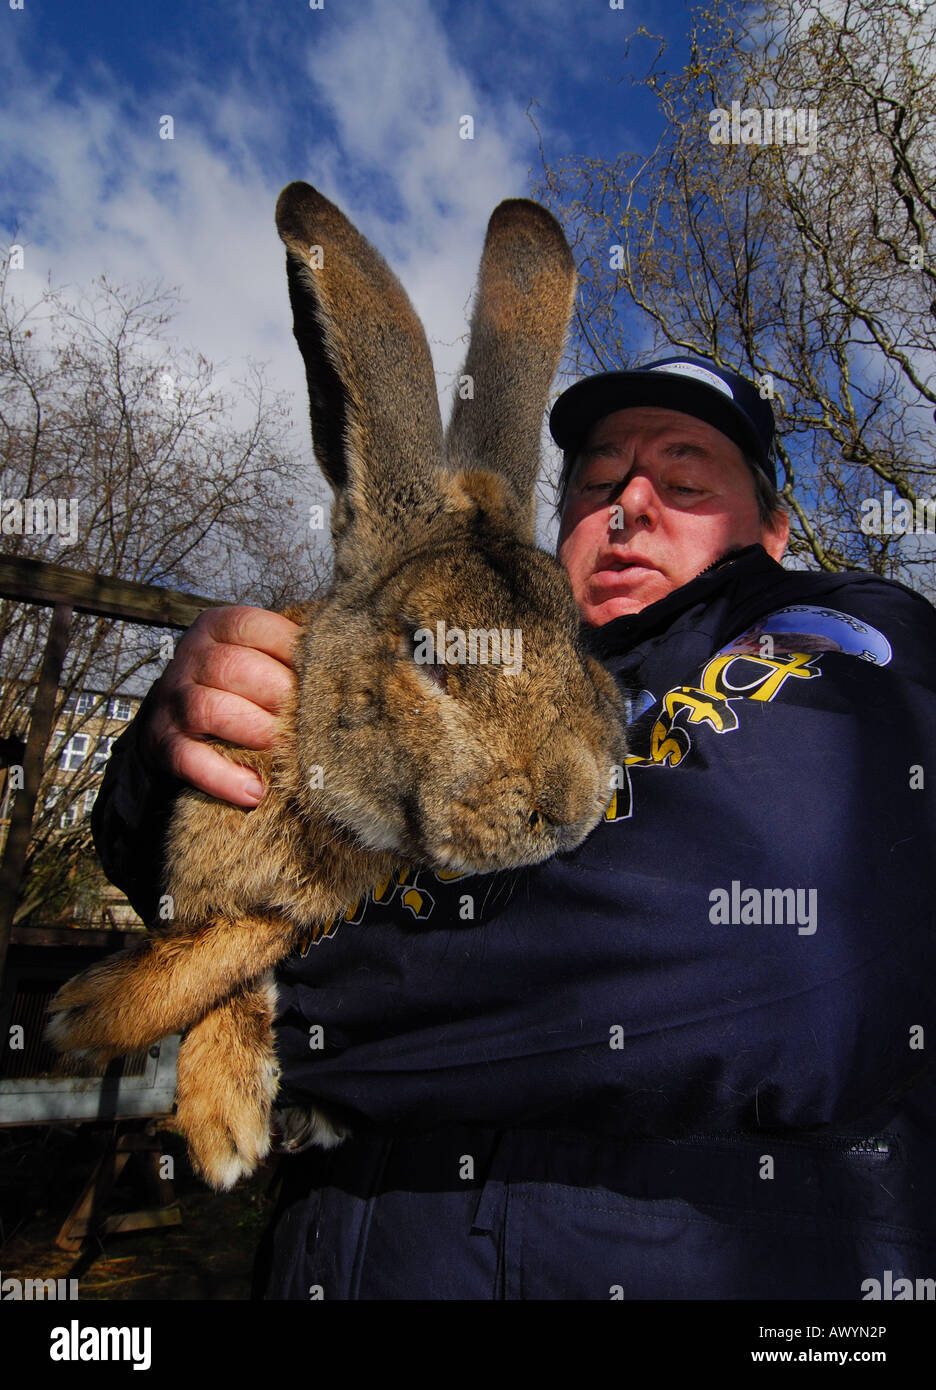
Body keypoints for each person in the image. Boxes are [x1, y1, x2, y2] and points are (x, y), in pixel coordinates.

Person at [91, 355, 936, 1301]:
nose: (629, 507)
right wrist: (175, 751)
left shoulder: (851, 632)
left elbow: (790, 947)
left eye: (688, 479)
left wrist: (259, 974)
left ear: (774, 529)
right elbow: (176, 868)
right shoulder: (443, 647)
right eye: (598, 481)